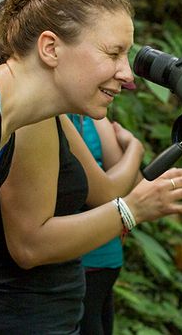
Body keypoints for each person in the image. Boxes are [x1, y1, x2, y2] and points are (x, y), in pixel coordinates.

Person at [0, 0, 182, 333]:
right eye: (113, 53)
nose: (128, 74)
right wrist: (132, 208)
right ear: (49, 45)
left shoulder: (49, 112)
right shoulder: (21, 116)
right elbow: (27, 245)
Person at [68, 114, 130, 335]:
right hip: (85, 260)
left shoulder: (89, 118)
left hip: (99, 261)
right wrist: (135, 148)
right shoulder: (63, 121)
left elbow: (127, 185)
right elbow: (109, 193)